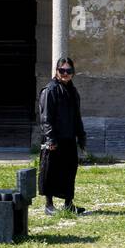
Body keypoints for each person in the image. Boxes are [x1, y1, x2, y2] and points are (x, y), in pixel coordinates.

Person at [37, 57, 87, 215]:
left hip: (69, 138)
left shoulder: (73, 91)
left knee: (69, 171)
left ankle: (68, 204)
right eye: (62, 70)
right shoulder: (50, 90)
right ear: (57, 71)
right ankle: (49, 205)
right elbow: (45, 118)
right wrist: (50, 139)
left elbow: (77, 116)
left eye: (68, 70)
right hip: (54, 139)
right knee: (50, 171)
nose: (65, 73)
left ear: (73, 72)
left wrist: (81, 135)